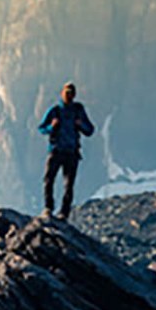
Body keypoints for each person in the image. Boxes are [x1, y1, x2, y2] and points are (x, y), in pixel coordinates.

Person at [38, 81, 94, 221]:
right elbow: (41, 128)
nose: (68, 95)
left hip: (71, 152)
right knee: (49, 179)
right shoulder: (55, 110)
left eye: (71, 93)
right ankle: (48, 208)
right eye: (66, 93)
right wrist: (51, 127)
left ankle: (64, 212)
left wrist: (80, 125)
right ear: (62, 93)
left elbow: (90, 130)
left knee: (68, 184)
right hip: (56, 151)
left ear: (74, 95)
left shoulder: (78, 111)